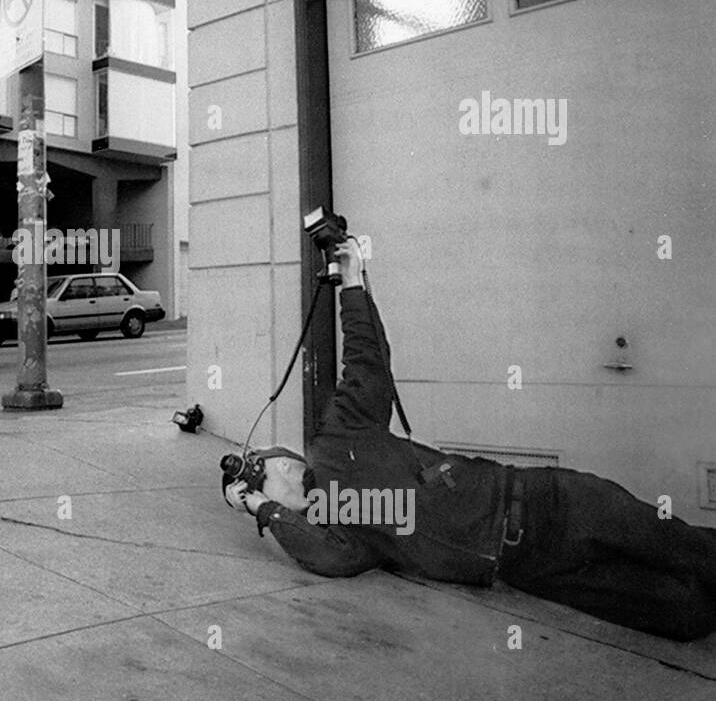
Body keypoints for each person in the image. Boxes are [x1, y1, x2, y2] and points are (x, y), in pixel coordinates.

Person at [222, 239, 716, 642]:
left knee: (695, 553)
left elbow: (367, 363)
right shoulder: (341, 527)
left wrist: (351, 280)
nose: (268, 493)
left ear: (283, 465)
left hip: (549, 503)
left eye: (262, 479)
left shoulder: (338, 438)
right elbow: (328, 558)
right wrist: (260, 511)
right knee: (683, 614)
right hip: (524, 566)